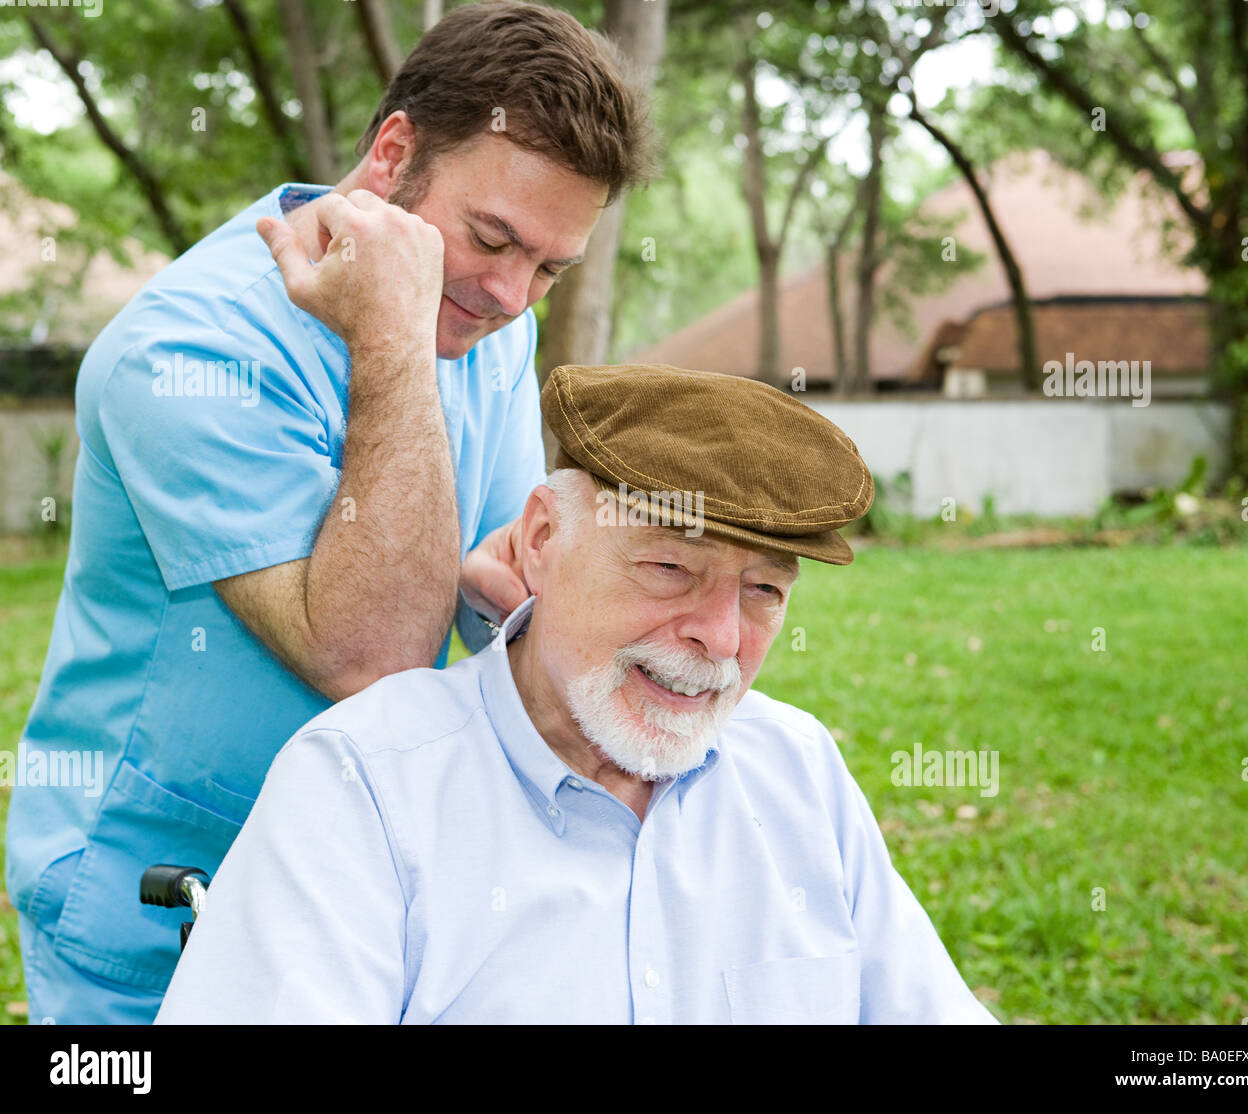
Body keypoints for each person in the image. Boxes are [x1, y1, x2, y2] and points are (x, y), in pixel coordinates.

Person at [6, 1, 653, 1024]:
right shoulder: (182, 353)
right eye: (492, 239)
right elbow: (371, 652)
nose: (509, 295)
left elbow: (487, 584)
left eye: (549, 267)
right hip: (159, 899)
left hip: (355, 873)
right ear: (392, 154)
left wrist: (493, 596)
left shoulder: (485, 320)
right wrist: (390, 334)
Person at [155, 363, 998, 1025]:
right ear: (544, 539)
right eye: (671, 567)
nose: (722, 637)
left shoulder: (795, 767)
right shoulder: (365, 783)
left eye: (764, 592)